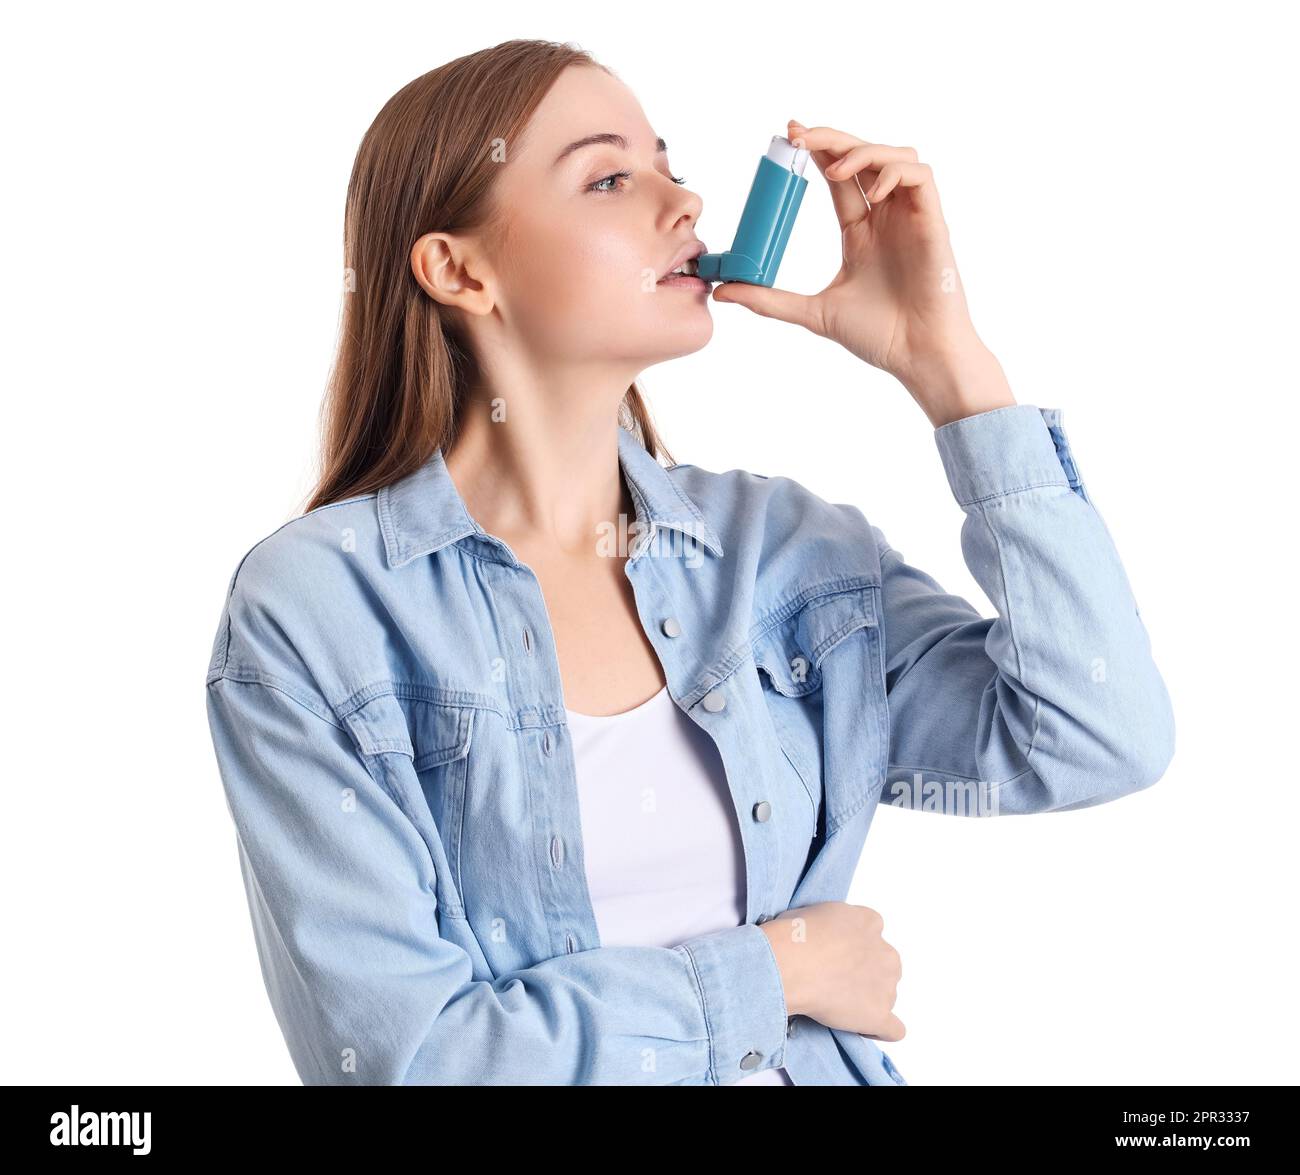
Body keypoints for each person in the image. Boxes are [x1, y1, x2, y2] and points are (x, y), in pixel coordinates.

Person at [204, 38, 1175, 1086]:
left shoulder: (787, 557)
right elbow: (414, 1058)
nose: (687, 199)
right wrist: (774, 969)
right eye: (609, 176)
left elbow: (1096, 732)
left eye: (667, 161)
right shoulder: (318, 610)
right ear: (459, 269)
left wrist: (951, 370)